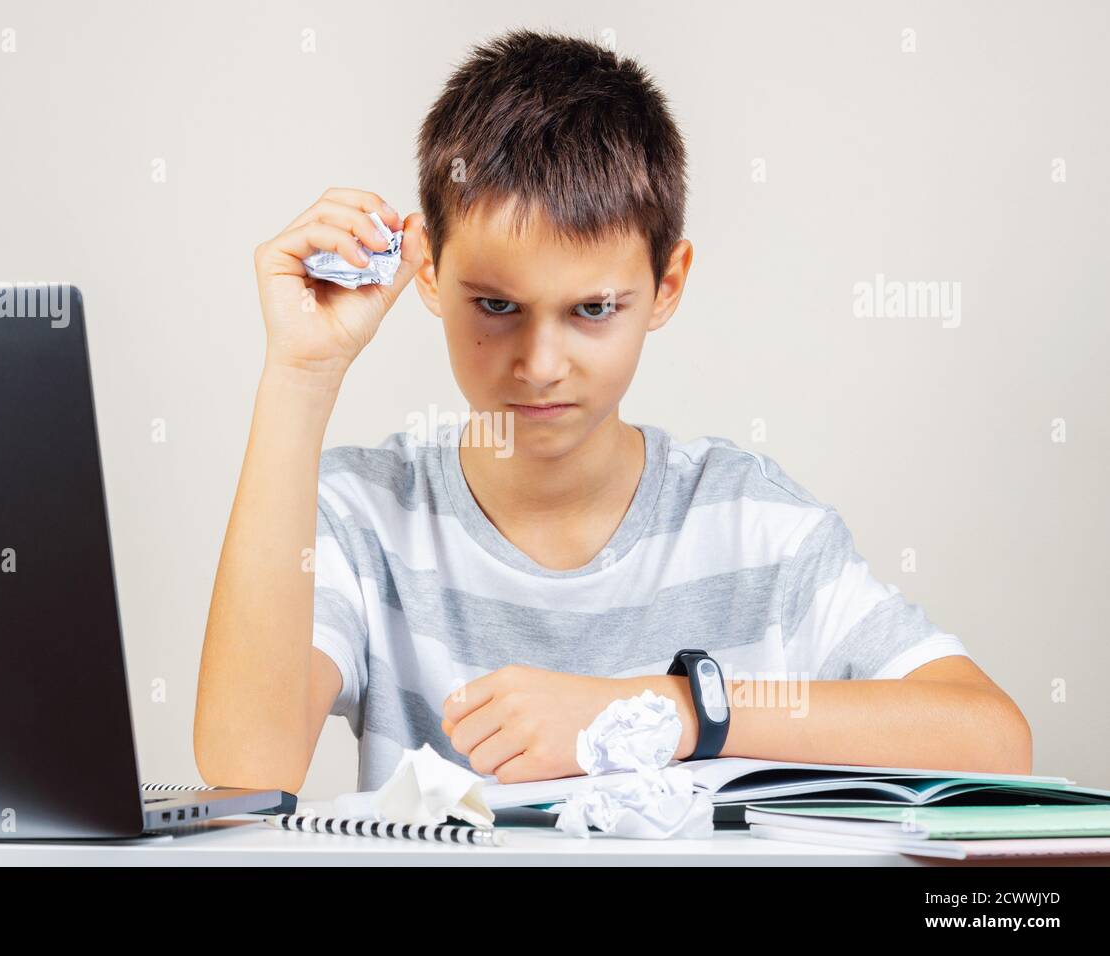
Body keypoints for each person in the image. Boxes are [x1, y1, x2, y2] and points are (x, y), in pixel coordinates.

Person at [194, 28, 1030, 795]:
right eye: (494, 306)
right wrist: (300, 376)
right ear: (428, 275)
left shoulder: (751, 522)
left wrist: (668, 710)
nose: (540, 364)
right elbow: (245, 766)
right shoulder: (364, 518)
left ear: (666, 287)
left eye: (592, 310)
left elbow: (993, 739)